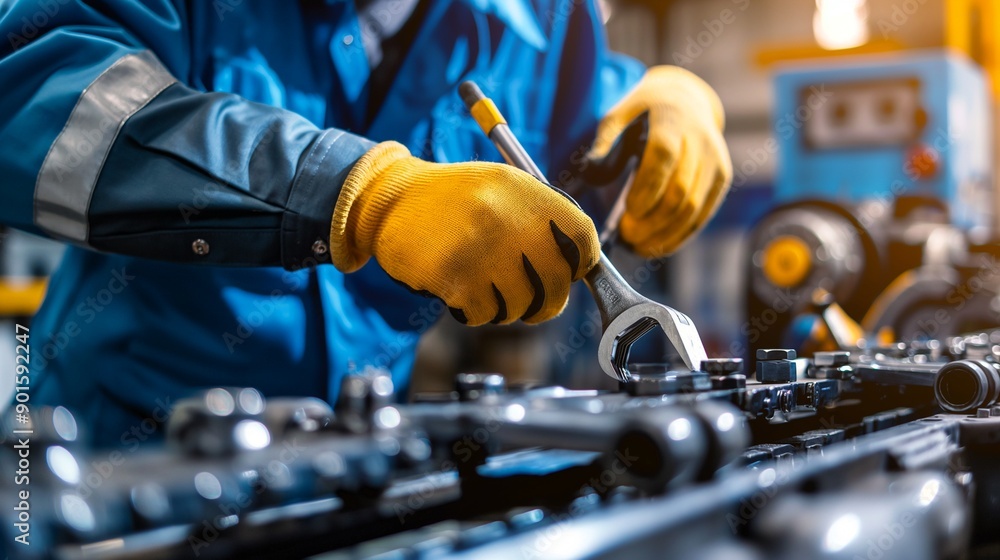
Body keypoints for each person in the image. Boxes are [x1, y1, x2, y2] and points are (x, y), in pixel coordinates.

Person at [0, 0, 731, 448]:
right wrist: (361, 194)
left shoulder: (539, 15)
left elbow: (583, 149)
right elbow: (31, 96)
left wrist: (664, 97)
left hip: (356, 476)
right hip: (105, 465)